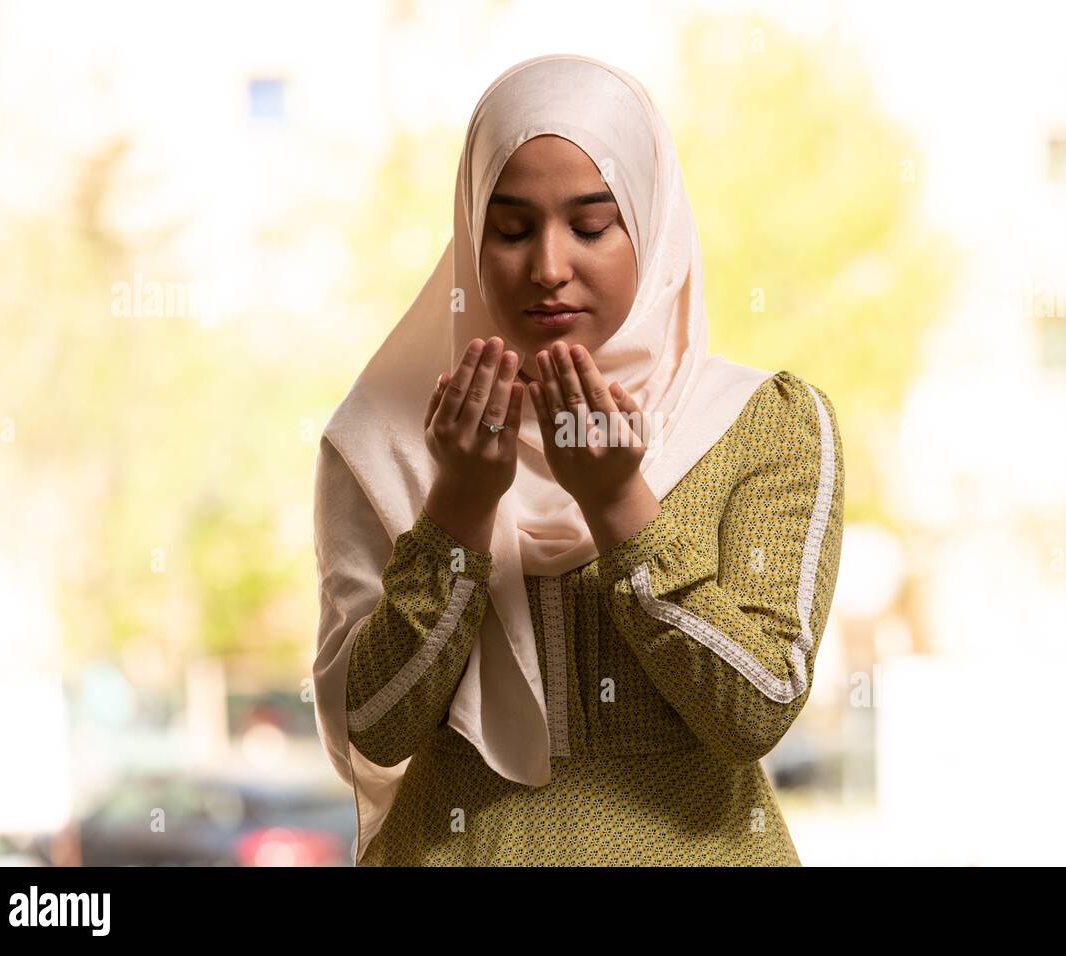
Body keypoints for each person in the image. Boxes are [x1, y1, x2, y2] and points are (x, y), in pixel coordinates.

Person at [311, 53, 844, 866]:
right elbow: (377, 726)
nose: (549, 267)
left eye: (592, 225)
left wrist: (617, 500)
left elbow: (754, 711)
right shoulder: (390, 433)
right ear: (471, 235)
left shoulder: (761, 424)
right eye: (512, 228)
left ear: (653, 228)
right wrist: (458, 505)